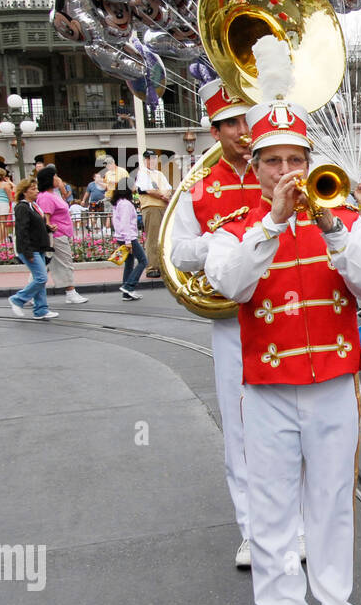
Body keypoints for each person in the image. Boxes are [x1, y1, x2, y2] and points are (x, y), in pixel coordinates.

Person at [205, 88, 361, 605]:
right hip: (268, 387)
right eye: (273, 161)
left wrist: (331, 225)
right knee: (274, 508)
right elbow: (230, 283)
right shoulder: (235, 228)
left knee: (333, 502)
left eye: (294, 159)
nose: (286, 171)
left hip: (335, 381)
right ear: (254, 169)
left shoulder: (344, 217)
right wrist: (273, 223)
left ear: (309, 162)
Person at [169, 78, 264, 569]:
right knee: (241, 423)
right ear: (215, 130)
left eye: (245, 119)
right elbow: (178, 252)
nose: (240, 131)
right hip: (232, 321)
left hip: (283, 310)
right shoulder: (199, 188)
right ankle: (251, 529)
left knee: (292, 423)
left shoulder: (279, 169)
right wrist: (225, 244)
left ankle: (293, 526)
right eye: (229, 124)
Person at [35, 166, 89, 305]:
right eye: (54, 177)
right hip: (56, 235)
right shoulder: (46, 196)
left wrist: (61, 186)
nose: (58, 179)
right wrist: (49, 227)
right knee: (64, 263)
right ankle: (70, 292)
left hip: (61, 233)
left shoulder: (53, 194)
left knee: (44, 266)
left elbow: (64, 197)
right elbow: (46, 217)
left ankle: (30, 293)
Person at [8, 178, 58, 320]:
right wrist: (27, 252)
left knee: (39, 278)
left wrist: (48, 228)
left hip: (38, 247)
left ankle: (41, 310)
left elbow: (35, 226)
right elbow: (22, 231)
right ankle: (18, 299)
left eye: (36, 188)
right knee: (41, 278)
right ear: (24, 192)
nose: (36, 191)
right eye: (33, 189)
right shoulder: (22, 207)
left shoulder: (33, 206)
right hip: (30, 249)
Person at [135, 150, 172, 279]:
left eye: (154, 158)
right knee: (153, 237)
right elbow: (149, 190)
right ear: (145, 160)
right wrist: (163, 196)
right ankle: (152, 267)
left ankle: (161, 266)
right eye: (149, 159)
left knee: (162, 238)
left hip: (162, 206)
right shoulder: (143, 173)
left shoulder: (160, 174)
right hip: (151, 207)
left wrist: (164, 195)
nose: (152, 161)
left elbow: (168, 188)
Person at [111, 182, 145, 300]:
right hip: (128, 237)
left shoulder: (118, 203)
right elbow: (125, 223)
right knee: (143, 261)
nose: (135, 187)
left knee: (129, 263)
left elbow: (117, 222)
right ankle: (129, 286)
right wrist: (128, 240)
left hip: (122, 237)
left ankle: (126, 292)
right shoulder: (125, 204)